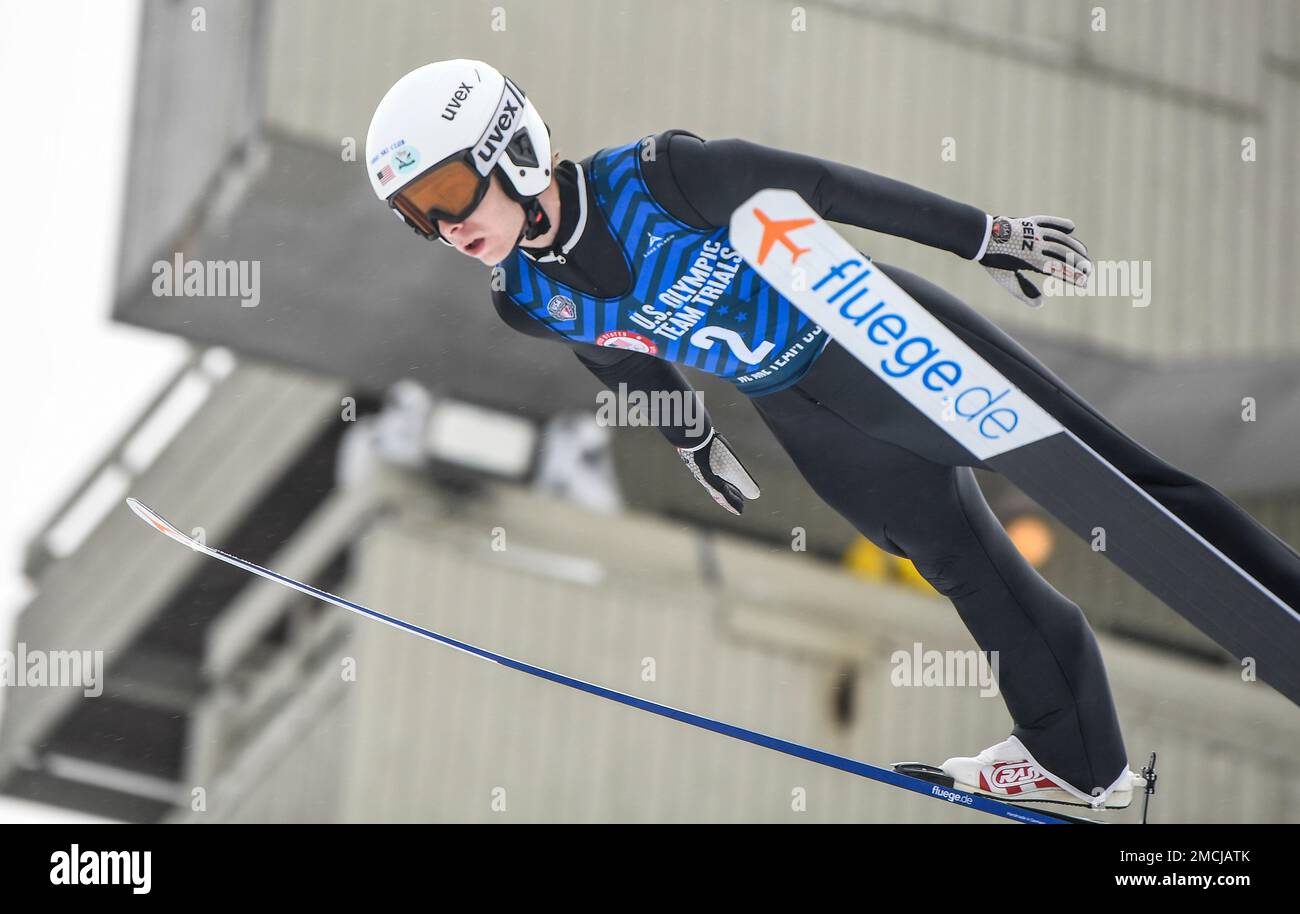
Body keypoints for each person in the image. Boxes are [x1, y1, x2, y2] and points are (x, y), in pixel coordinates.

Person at [364, 59, 1300, 809]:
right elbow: (616, 358)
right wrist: (691, 437)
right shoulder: (526, 300)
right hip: (805, 413)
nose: (445, 226)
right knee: (965, 565)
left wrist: (987, 235)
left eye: (448, 190)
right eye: (417, 214)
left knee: (1111, 482)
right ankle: (1079, 760)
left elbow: (823, 187)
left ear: (512, 148)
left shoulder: (658, 177)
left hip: (875, 337)